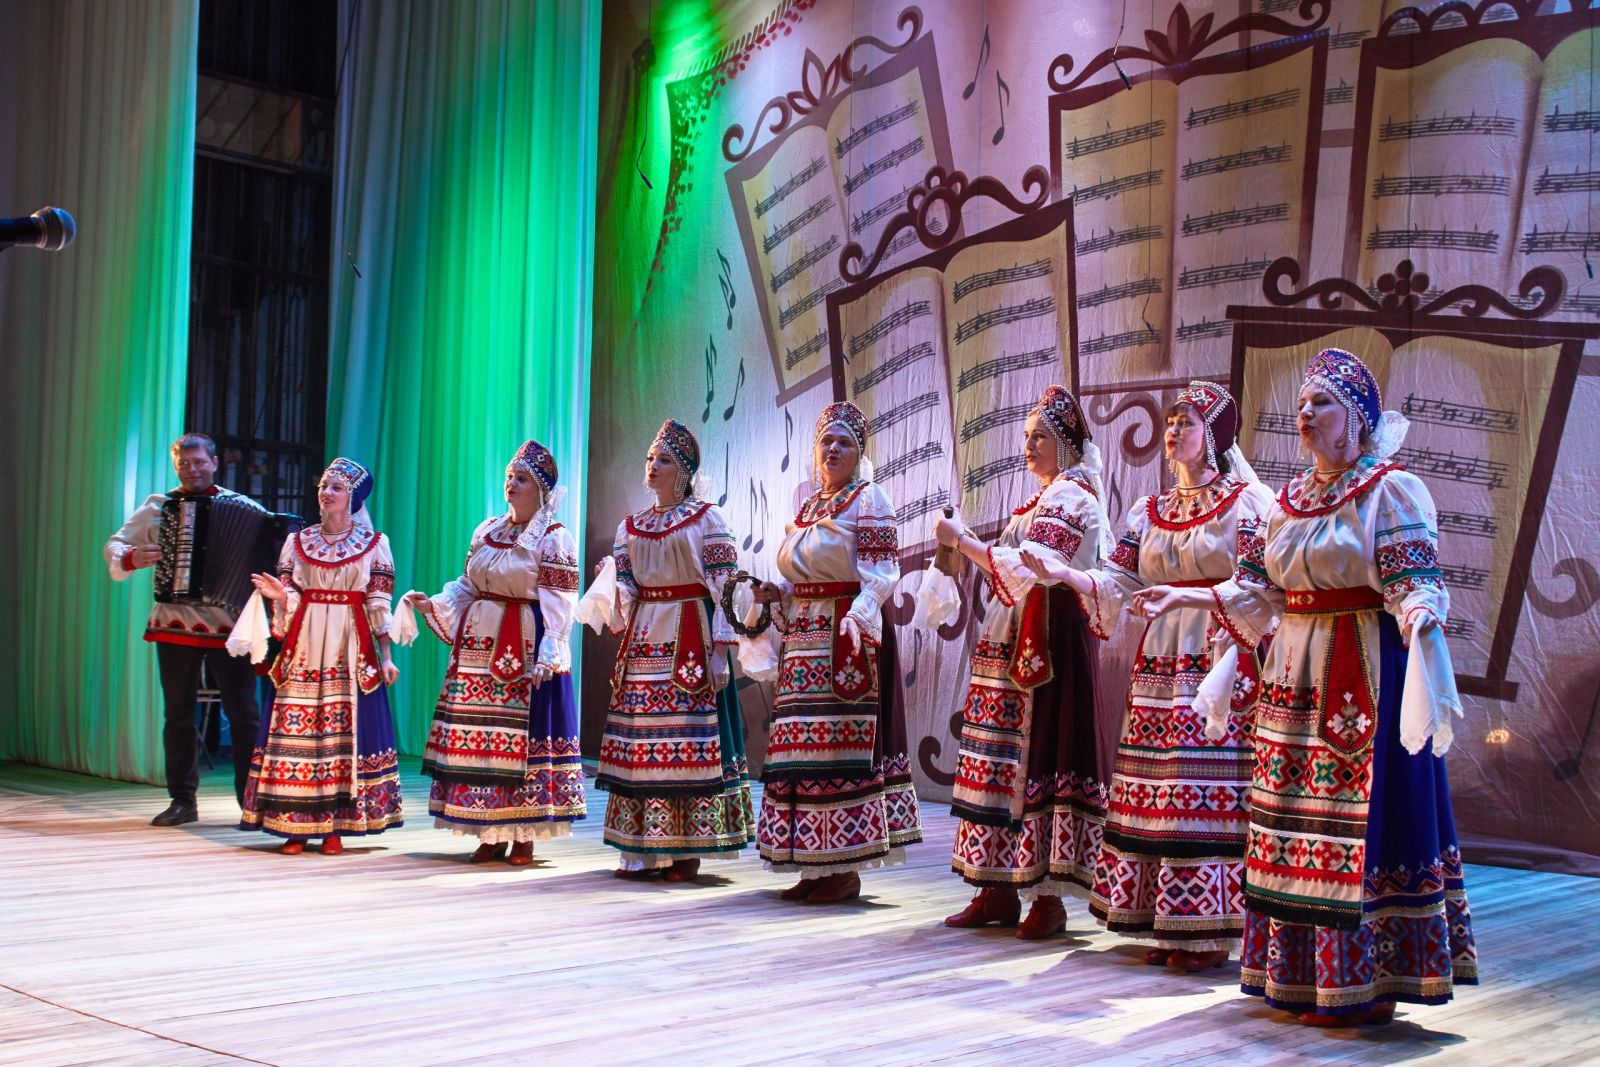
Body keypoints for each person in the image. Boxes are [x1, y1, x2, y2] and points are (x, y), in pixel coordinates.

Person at [1132, 348, 1477, 1024]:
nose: (1306, 414)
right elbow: (1256, 593)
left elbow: (1414, 580)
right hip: (1293, 676)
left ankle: (1369, 981)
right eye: (1303, 404)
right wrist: (1179, 596)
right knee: (1293, 818)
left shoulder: (1390, 489)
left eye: (1323, 404)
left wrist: (1420, 614)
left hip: (1362, 672)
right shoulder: (1288, 501)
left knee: (1360, 823)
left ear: (1357, 419)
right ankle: (1302, 974)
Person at [1018, 382, 1271, 967]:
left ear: (1214, 436)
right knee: (1159, 783)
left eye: (1187, 421)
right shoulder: (1149, 510)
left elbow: (1256, 586)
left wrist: (1192, 599)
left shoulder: (1244, 505)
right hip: (1159, 661)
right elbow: (1116, 579)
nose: (1174, 430)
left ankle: (1209, 926)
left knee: (1199, 782)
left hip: (1213, 655)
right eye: (1170, 421)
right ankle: (1166, 918)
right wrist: (1067, 575)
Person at [934, 385, 1111, 939]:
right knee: (1003, 759)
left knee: (1039, 759)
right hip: (1016, 638)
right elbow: (1010, 566)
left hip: (1049, 642)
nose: (1030, 447)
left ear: (1066, 442)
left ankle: (1047, 897)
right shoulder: (1040, 499)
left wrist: (963, 542)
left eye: (1041, 437)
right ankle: (996, 887)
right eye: (1027, 437)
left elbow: (1033, 567)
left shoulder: (1074, 498)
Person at [750, 401, 922, 903]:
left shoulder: (871, 500)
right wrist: (776, 594)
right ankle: (812, 862)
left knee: (836, 747)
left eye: (844, 442)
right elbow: (802, 575)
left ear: (859, 452)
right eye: (826, 441)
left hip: (845, 636)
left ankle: (844, 866)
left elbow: (882, 574)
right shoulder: (808, 508)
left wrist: (861, 618)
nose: (833, 450)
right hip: (804, 639)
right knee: (803, 747)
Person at [406, 440, 584, 865]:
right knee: (483, 739)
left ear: (542, 490)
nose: (511, 484)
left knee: (520, 741)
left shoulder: (555, 539)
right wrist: (437, 603)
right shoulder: (487, 530)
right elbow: (468, 584)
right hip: (478, 651)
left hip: (523, 645)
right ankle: (487, 831)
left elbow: (560, 601)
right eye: (509, 477)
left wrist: (549, 654)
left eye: (521, 479)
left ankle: (523, 834)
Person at [591, 419, 754, 881]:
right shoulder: (632, 526)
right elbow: (626, 586)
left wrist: (721, 651)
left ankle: (687, 848)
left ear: (684, 471)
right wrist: (610, 580)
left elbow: (727, 589)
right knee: (644, 739)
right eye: (649, 458)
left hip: (688, 634)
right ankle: (641, 847)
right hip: (645, 639)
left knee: (684, 737)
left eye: (663, 459)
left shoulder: (707, 518)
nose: (653, 466)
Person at [237, 457, 403, 854]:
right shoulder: (297, 541)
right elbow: (292, 595)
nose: (325, 493)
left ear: (353, 498)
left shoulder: (375, 544)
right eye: (323, 486)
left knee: (340, 733)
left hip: (349, 645)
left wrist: (386, 656)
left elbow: (378, 604)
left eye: (335, 488)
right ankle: (294, 825)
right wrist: (281, 597)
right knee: (300, 731)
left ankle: (335, 827)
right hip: (307, 645)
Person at [104, 432, 266, 826]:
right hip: (174, 622)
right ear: (176, 466)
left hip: (230, 627)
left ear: (214, 463)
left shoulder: (243, 507)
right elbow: (115, 545)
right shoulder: (158, 507)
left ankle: (251, 801)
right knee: (178, 713)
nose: (192, 469)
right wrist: (131, 556)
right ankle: (182, 801)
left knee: (244, 712)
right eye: (184, 463)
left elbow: (270, 551)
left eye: (199, 462)